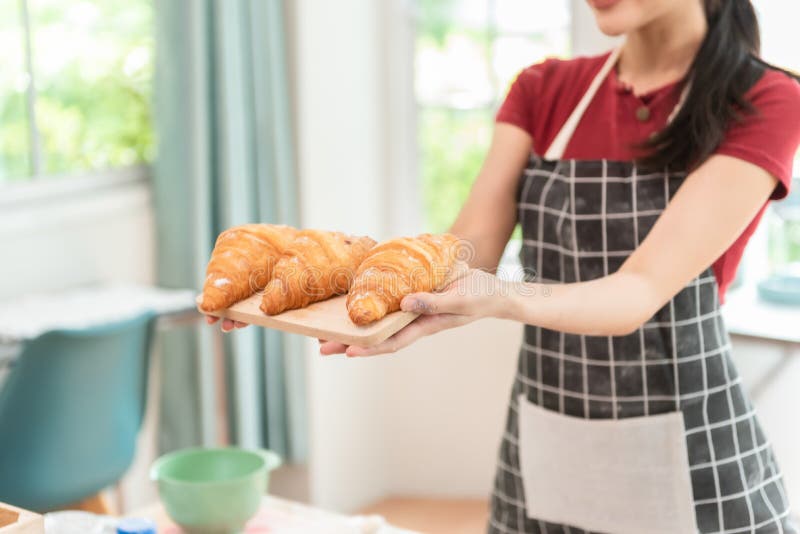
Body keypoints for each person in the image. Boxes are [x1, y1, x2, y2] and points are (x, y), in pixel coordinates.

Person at [212, 0, 800, 531]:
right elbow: (469, 249)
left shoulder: (764, 99)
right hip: (547, 446)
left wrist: (500, 296)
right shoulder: (545, 90)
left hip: (694, 458)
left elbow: (636, 292)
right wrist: (351, 291)